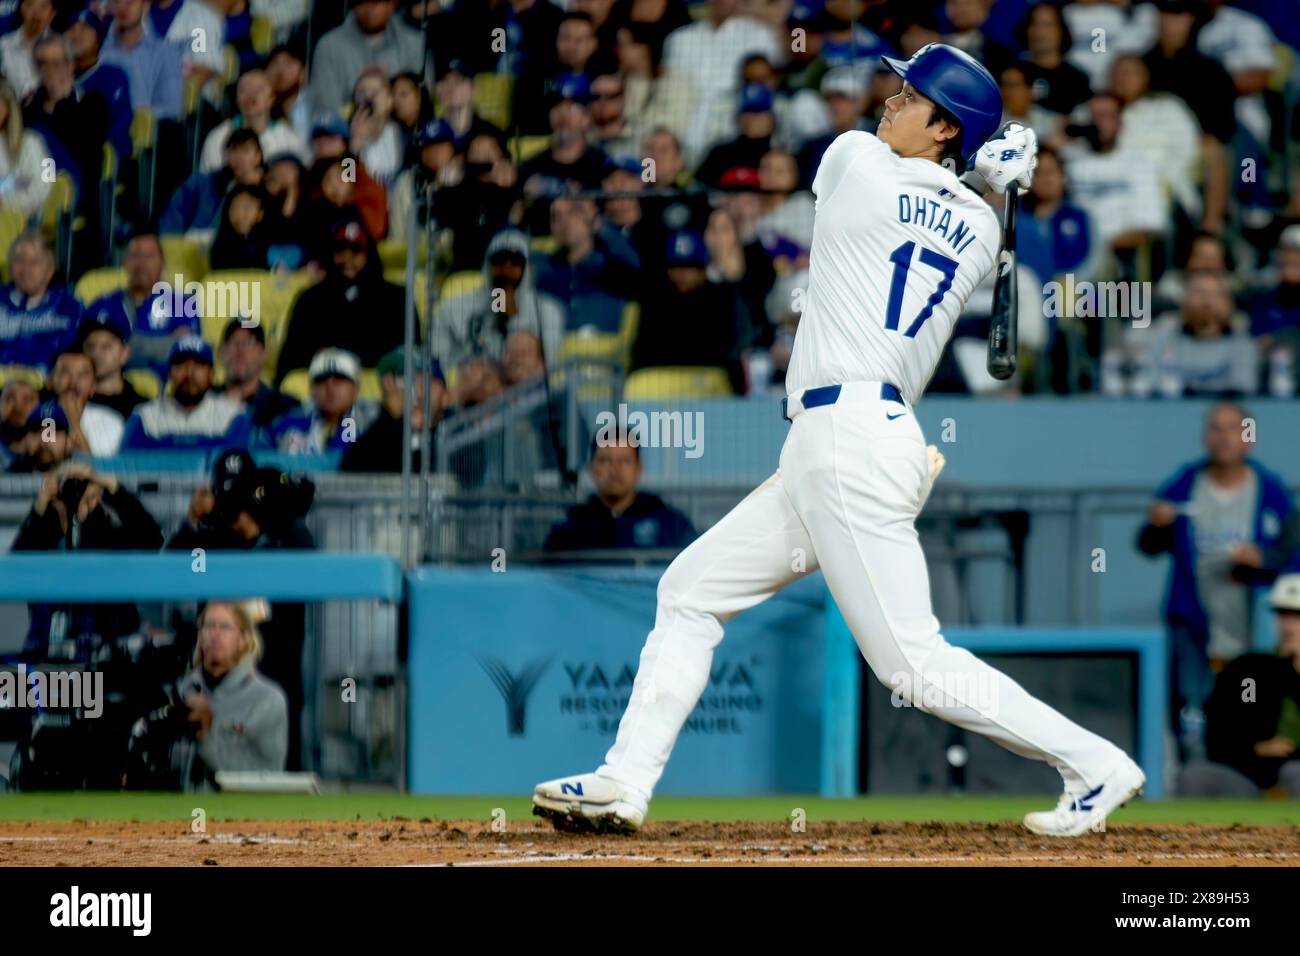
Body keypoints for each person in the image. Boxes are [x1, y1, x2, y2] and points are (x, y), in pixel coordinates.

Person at [533, 43, 1147, 839]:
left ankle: (1095, 764)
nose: (888, 100)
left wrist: (977, 171)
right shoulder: (977, 226)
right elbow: (948, 204)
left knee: (911, 664)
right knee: (688, 592)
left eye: (911, 95)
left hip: (847, 443)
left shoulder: (855, 162)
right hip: (852, 443)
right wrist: (986, 182)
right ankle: (623, 782)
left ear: (945, 128)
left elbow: (897, 185)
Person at [1137, 401, 1297, 760]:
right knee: (1191, 698)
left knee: (1251, 697)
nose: (1224, 438)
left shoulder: (1270, 491)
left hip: (1249, 617)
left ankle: (1246, 771)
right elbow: (1146, 544)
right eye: (1215, 428)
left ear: (1249, 438)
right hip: (1193, 615)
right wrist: (1156, 524)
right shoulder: (1185, 484)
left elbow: (1289, 553)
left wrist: (1262, 559)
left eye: (1233, 429)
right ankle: (1190, 772)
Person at [10, 460, 163, 659]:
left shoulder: (108, 536)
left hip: (109, 648)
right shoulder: (44, 538)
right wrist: (41, 504)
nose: (96, 503)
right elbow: (15, 570)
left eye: (97, 496)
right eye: (89, 498)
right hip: (52, 649)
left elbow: (152, 538)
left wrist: (112, 486)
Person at [1179, 574, 1300, 797]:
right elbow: (1217, 738)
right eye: (1284, 616)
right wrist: (1257, 748)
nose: (1289, 626)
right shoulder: (1248, 669)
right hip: (1247, 775)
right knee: (1195, 777)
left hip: (1293, 770)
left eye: (1297, 617)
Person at [175, 600, 289, 786]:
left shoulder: (267, 700)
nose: (216, 634)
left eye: (226, 627)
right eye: (210, 626)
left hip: (233, 813)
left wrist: (207, 735)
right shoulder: (181, 689)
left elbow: (269, 776)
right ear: (200, 635)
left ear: (244, 639)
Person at [275, 219, 408, 379]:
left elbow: (405, 358)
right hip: (321, 388)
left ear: (368, 253)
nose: (347, 258)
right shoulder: (310, 300)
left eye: (355, 250)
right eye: (340, 250)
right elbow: (290, 360)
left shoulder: (396, 299)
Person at [431, 228, 565, 373]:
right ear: (487, 266)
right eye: (499, 261)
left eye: (515, 261)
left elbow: (550, 368)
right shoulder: (451, 310)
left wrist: (512, 319)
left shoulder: (548, 311)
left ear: (527, 269)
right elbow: (438, 363)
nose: (506, 269)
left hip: (527, 390)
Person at [544, 438, 695, 551]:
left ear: (639, 469)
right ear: (591, 469)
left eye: (625, 461)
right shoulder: (571, 527)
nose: (615, 469)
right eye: (605, 461)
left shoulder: (671, 524)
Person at [121, 336, 252, 449]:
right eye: (181, 365)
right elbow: (129, 468)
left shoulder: (233, 415)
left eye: (198, 365)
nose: (189, 373)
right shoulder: (145, 417)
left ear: (211, 374)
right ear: (169, 373)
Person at [340, 346, 445, 473]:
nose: (420, 394)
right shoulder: (368, 448)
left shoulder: (459, 436)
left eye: (429, 382)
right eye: (408, 382)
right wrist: (393, 421)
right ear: (388, 387)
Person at [309, 0, 424, 114]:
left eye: (376, 2)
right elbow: (324, 114)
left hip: (405, 131)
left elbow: (424, 107)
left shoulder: (415, 44)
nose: (370, 7)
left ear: (392, 4)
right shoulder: (328, 46)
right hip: (347, 131)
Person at [263, 348, 378, 455]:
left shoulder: (375, 421)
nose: (330, 388)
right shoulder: (286, 424)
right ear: (311, 390)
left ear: (356, 388)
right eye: (321, 380)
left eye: (339, 379)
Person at [199, 68, 308, 174]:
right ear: (237, 99)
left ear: (271, 98)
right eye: (243, 89)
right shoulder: (219, 136)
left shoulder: (289, 139)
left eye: (259, 89)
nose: (251, 94)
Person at [0, 232, 81, 374]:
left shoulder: (70, 308)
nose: (26, 269)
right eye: (19, 260)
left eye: (35, 262)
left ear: (49, 270)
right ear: (10, 267)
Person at [214, 318, 296, 430]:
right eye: (233, 342)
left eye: (249, 342)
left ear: (263, 353)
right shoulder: (204, 401)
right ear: (220, 353)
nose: (240, 350)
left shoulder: (284, 407)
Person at [46, 349, 124, 457]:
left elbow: (97, 468)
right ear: (51, 382)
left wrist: (74, 420)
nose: (73, 381)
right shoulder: (44, 418)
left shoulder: (111, 421)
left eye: (82, 374)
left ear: (93, 386)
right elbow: (48, 461)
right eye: (65, 372)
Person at [77, 308, 147, 420]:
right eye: (90, 347)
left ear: (124, 354)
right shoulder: (69, 401)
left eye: (106, 347)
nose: (96, 353)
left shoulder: (141, 409)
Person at [0, 77, 51, 218]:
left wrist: (6, 202)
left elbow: (45, 184)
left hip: (24, 221)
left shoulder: (33, 141)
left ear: (8, 105)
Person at [207, 183, 272, 270]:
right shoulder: (221, 247)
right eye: (234, 208)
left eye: (247, 208)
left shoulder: (270, 244)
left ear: (261, 213)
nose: (240, 214)